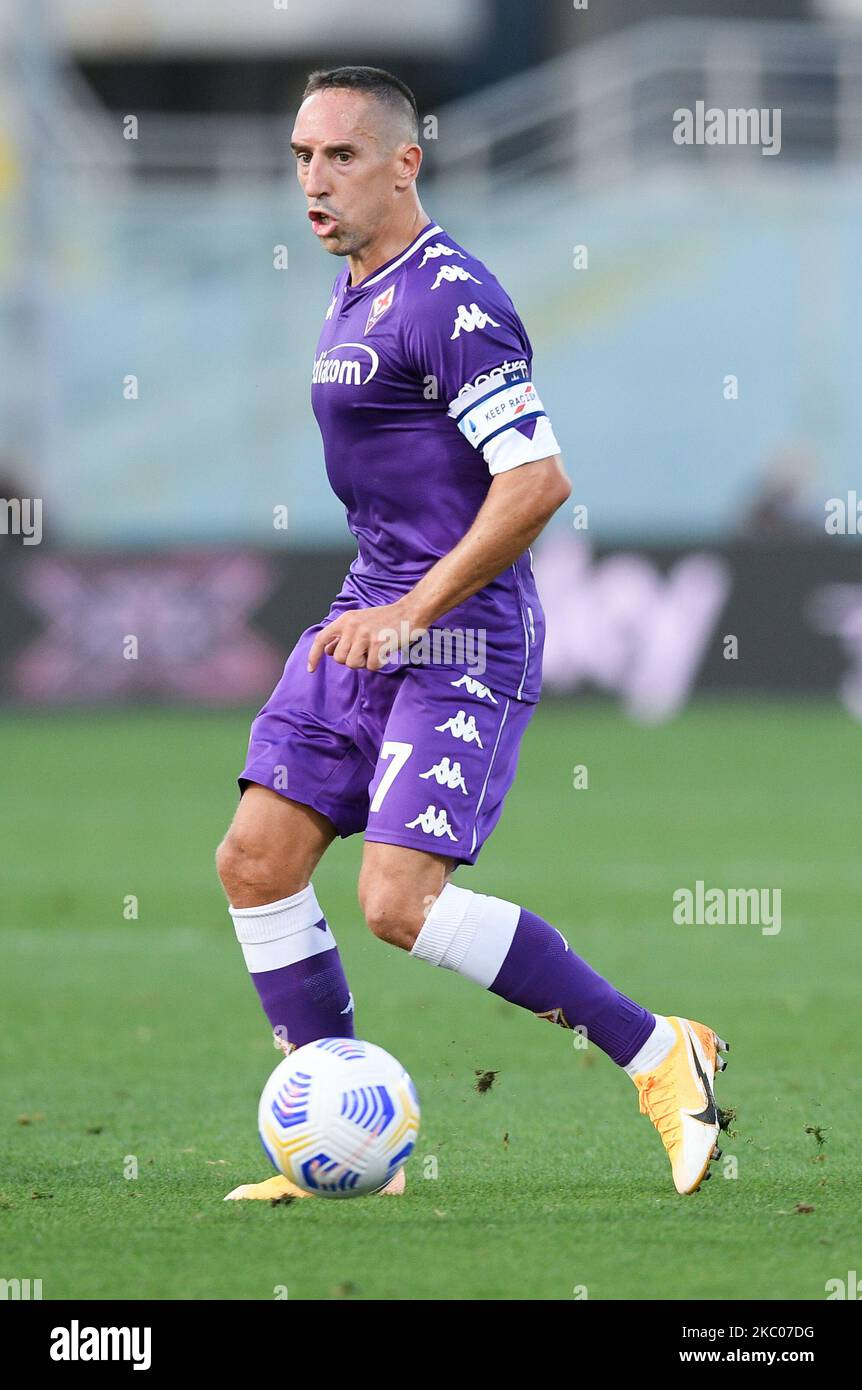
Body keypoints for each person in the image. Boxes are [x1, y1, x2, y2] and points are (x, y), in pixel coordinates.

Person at [217, 66, 729, 1202]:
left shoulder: (453, 300)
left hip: (457, 638)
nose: (313, 179)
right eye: (301, 156)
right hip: (369, 618)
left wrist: (412, 613)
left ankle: (661, 1053)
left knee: (397, 902)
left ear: (406, 161)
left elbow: (537, 482)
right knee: (256, 861)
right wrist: (378, 609)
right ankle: (333, 1135)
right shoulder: (358, 283)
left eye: (341, 156)